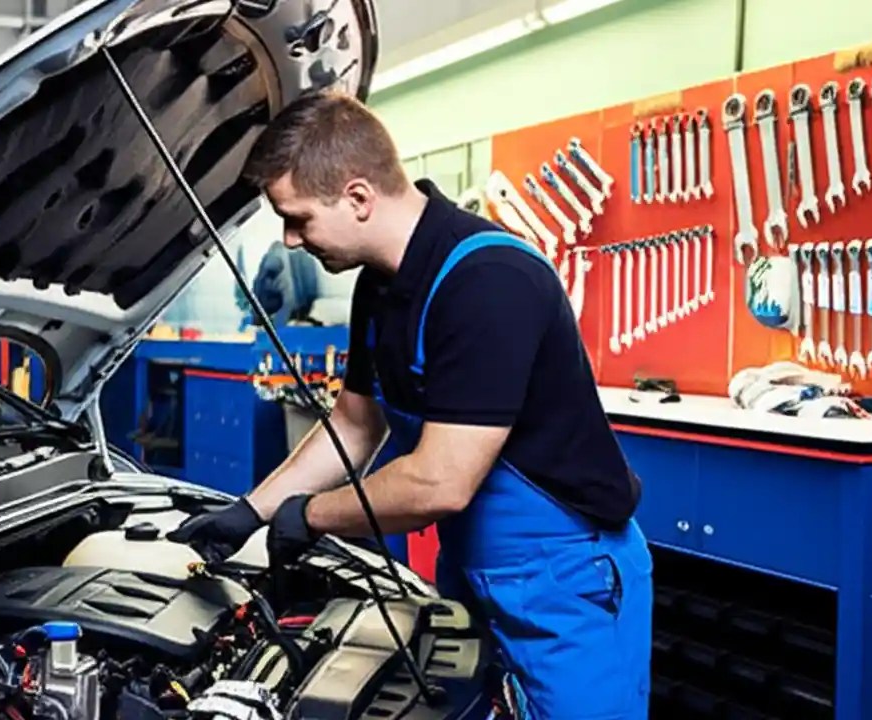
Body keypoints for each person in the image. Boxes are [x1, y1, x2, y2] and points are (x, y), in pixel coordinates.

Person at [167, 90, 653, 719]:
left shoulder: (489, 281)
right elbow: (355, 423)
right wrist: (249, 513)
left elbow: (440, 482)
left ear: (359, 198)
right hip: (476, 574)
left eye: (298, 218)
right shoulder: (381, 285)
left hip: (569, 586)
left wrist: (310, 515)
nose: (289, 242)